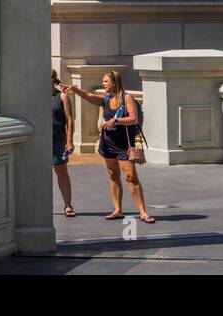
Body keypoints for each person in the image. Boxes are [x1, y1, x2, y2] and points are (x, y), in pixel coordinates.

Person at [62, 70, 154, 222]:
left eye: (106, 81)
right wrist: (75, 89)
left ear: (114, 83)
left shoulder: (127, 98)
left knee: (131, 177)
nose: (103, 84)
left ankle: (143, 212)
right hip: (108, 143)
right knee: (113, 174)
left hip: (124, 143)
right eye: (103, 81)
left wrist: (115, 121)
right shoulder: (105, 100)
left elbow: (133, 118)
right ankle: (117, 210)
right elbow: (89, 97)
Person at [52, 70, 76, 217]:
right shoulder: (36, 96)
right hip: (41, 140)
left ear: (54, 79)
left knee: (61, 172)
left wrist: (70, 141)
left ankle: (68, 204)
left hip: (58, 139)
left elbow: (69, 119)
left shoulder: (62, 96)